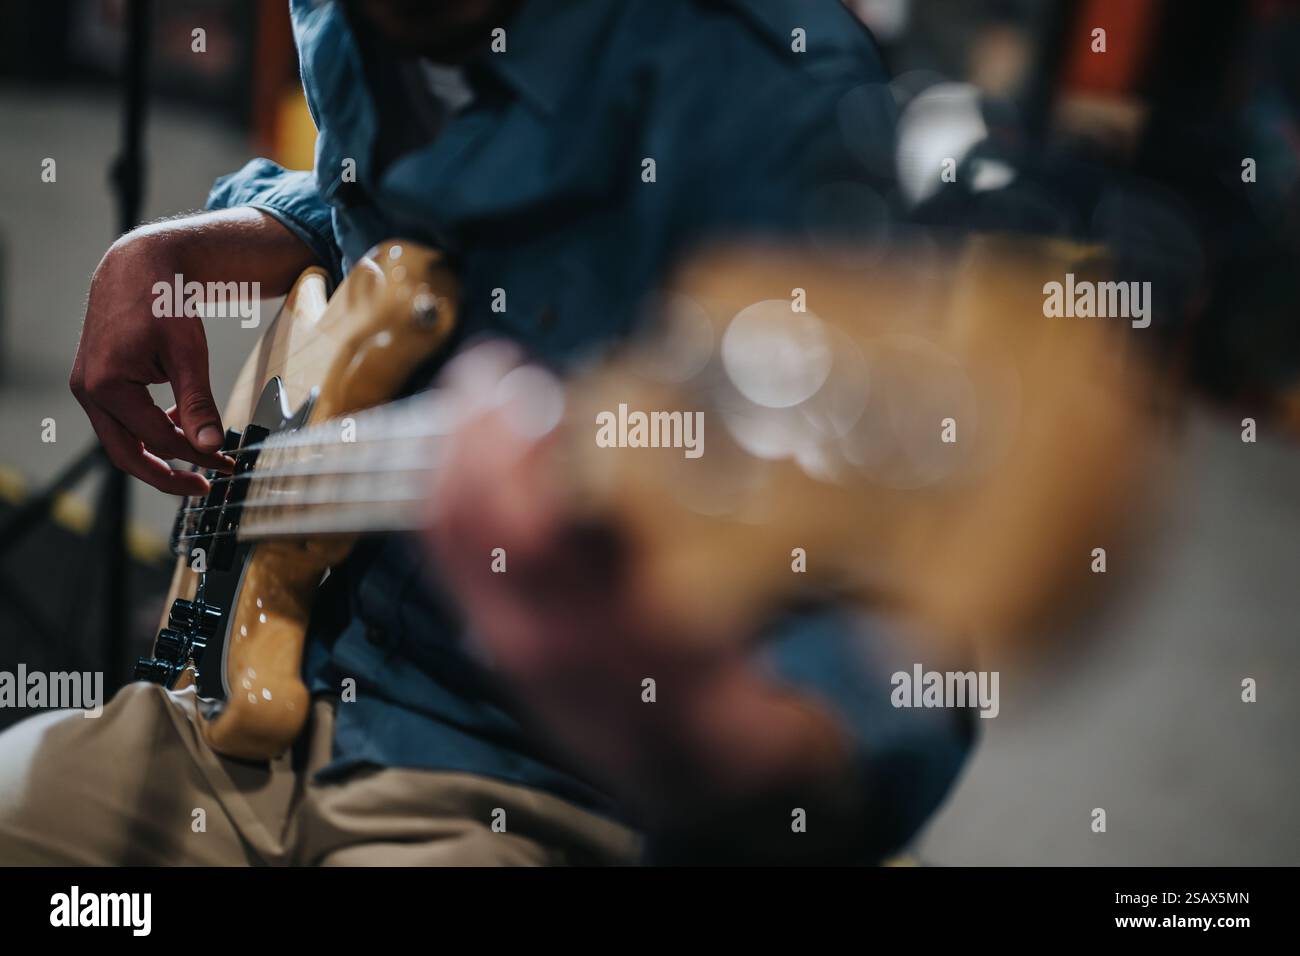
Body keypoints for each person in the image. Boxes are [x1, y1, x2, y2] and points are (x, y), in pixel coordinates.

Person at [0, 0, 971, 865]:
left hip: (520, 783)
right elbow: (386, 218)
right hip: (266, 692)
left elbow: (901, 646)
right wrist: (221, 236)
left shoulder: (765, 85)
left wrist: (716, 733)